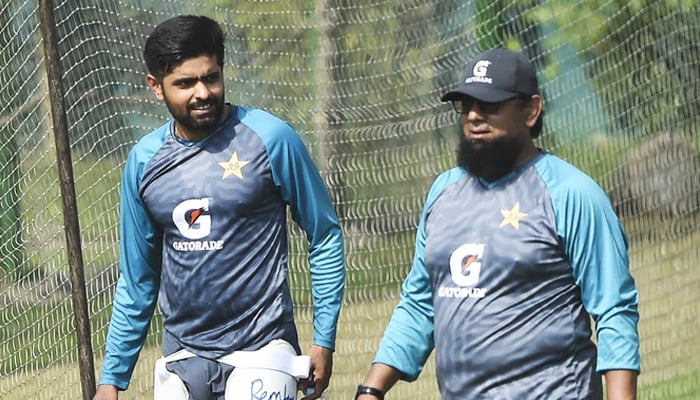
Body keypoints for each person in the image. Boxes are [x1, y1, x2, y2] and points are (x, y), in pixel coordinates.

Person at [355, 48, 640, 400]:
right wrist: (371, 388)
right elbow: (420, 302)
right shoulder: (443, 192)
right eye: (466, 105)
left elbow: (615, 310)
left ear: (531, 110)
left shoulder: (571, 194)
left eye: (490, 105)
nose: (474, 115)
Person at [93, 15, 345, 400]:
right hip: (183, 355)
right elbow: (138, 279)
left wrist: (323, 340)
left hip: (264, 348)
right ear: (156, 88)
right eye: (185, 83)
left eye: (210, 77)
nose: (202, 92)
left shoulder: (271, 138)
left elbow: (324, 235)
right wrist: (111, 380)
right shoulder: (143, 162)